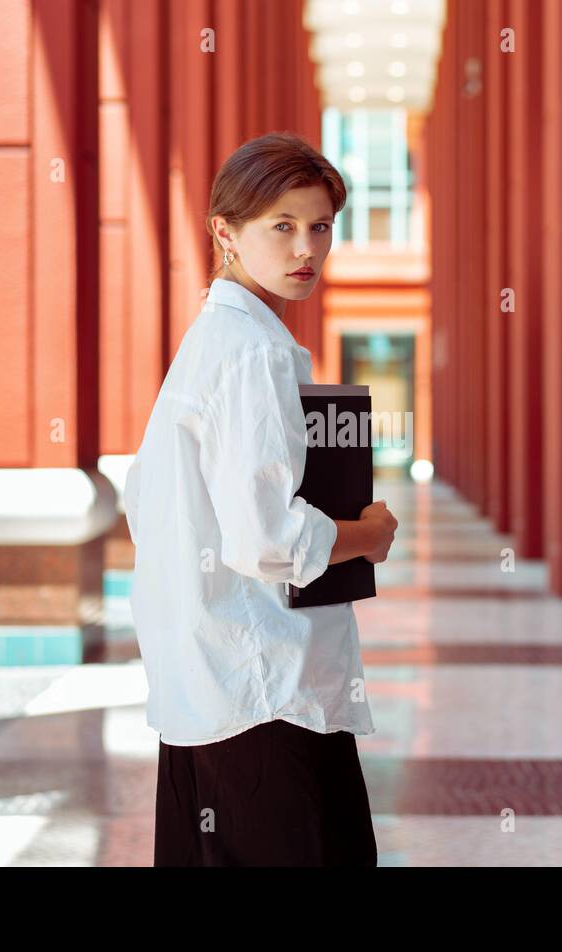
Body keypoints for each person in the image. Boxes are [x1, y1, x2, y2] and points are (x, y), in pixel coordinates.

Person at [121, 132, 399, 866]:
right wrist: (367, 534)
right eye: (282, 226)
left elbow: (141, 497)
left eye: (320, 227)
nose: (306, 248)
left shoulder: (208, 342)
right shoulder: (256, 353)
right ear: (225, 232)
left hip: (203, 687)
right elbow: (267, 541)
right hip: (264, 694)